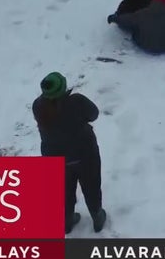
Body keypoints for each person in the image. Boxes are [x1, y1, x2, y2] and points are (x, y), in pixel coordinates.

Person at [32, 72, 106, 234]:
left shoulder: (38, 106)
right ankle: (97, 217)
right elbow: (94, 114)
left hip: (55, 158)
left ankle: (66, 222)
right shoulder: (77, 102)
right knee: (91, 186)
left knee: (64, 192)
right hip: (84, 154)